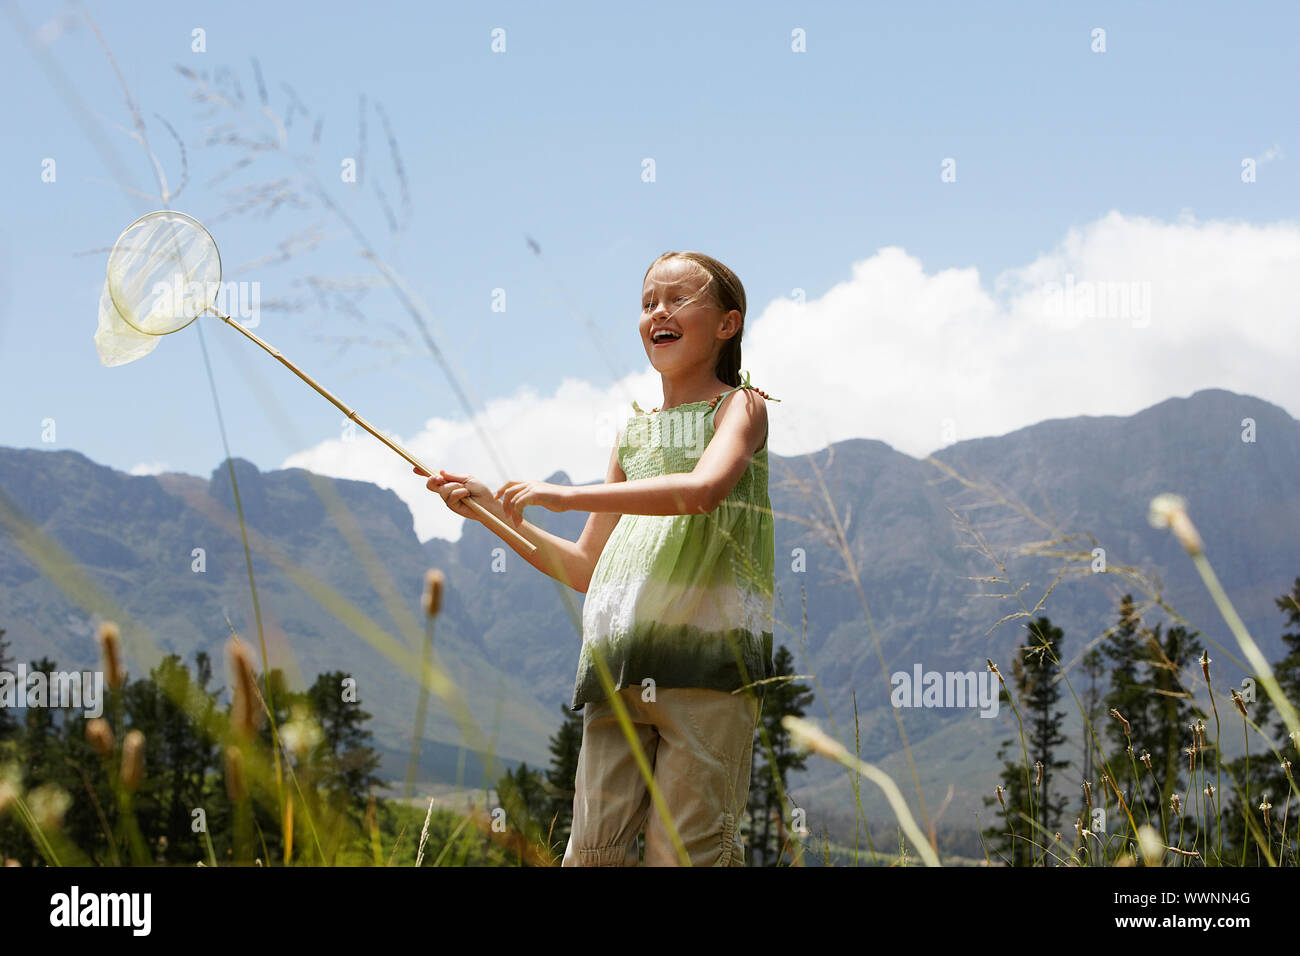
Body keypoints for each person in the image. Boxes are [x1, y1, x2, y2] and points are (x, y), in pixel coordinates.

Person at [417, 251, 778, 865]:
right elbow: (586, 566)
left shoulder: (740, 408)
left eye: (678, 299)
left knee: (686, 855)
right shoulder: (631, 434)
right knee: (590, 855)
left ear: (727, 324)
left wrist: (563, 494)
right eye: (647, 303)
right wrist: (488, 511)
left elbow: (699, 492)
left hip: (708, 669)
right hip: (617, 669)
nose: (658, 312)